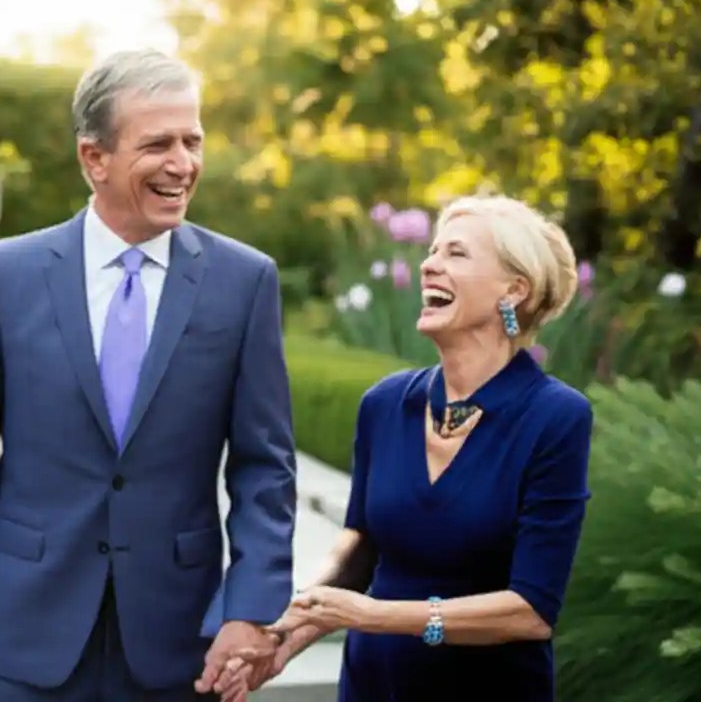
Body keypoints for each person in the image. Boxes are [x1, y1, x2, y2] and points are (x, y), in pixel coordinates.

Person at [0, 48, 297, 702]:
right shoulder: (2, 278)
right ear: (94, 158)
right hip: (23, 638)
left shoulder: (245, 282)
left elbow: (265, 467)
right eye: (158, 144)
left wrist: (251, 609)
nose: (183, 163)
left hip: (182, 642)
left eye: (192, 141)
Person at [232, 194, 593, 701]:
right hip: (372, 685)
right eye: (432, 250)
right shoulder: (384, 404)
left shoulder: (555, 417)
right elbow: (360, 548)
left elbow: (531, 612)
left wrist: (377, 616)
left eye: (456, 254)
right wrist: (288, 634)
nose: (429, 265)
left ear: (513, 292)